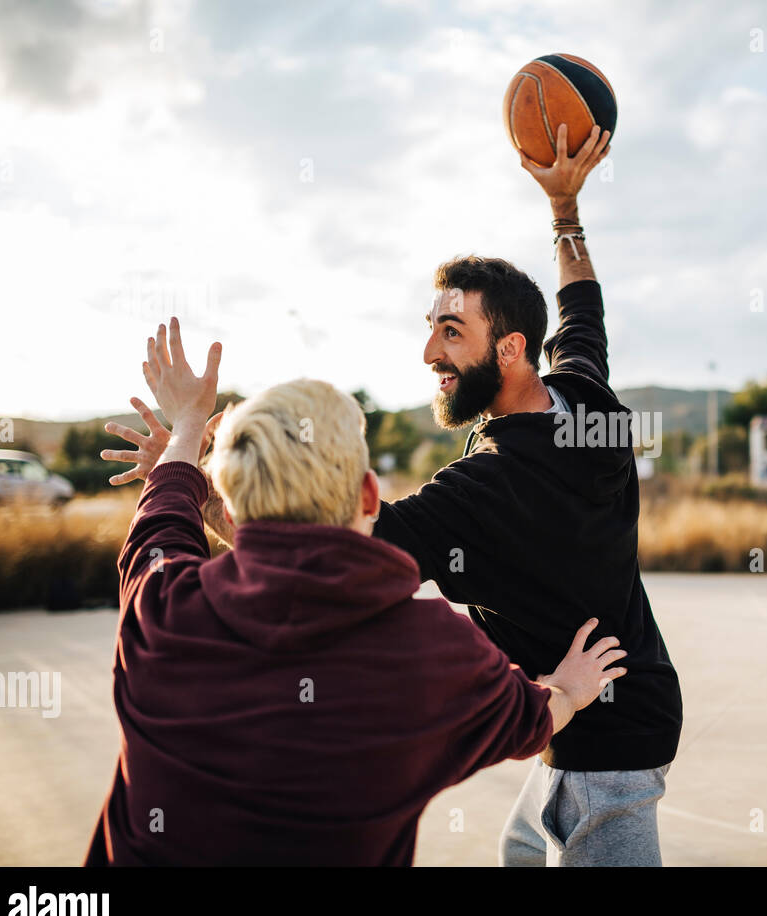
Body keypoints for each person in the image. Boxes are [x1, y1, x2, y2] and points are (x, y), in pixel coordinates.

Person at [104, 123, 683, 866]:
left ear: (508, 350)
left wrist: (197, 484)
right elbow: (582, 309)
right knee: (520, 851)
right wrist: (564, 211)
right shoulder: (585, 403)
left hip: (607, 738)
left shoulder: (488, 489)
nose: (429, 352)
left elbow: (325, 552)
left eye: (451, 332)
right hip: (605, 700)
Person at [86, 319, 625, 865]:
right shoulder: (435, 652)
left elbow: (164, 507)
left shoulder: (160, 607)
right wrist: (571, 690)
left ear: (227, 511)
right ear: (370, 495)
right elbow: (532, 721)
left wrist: (187, 427)